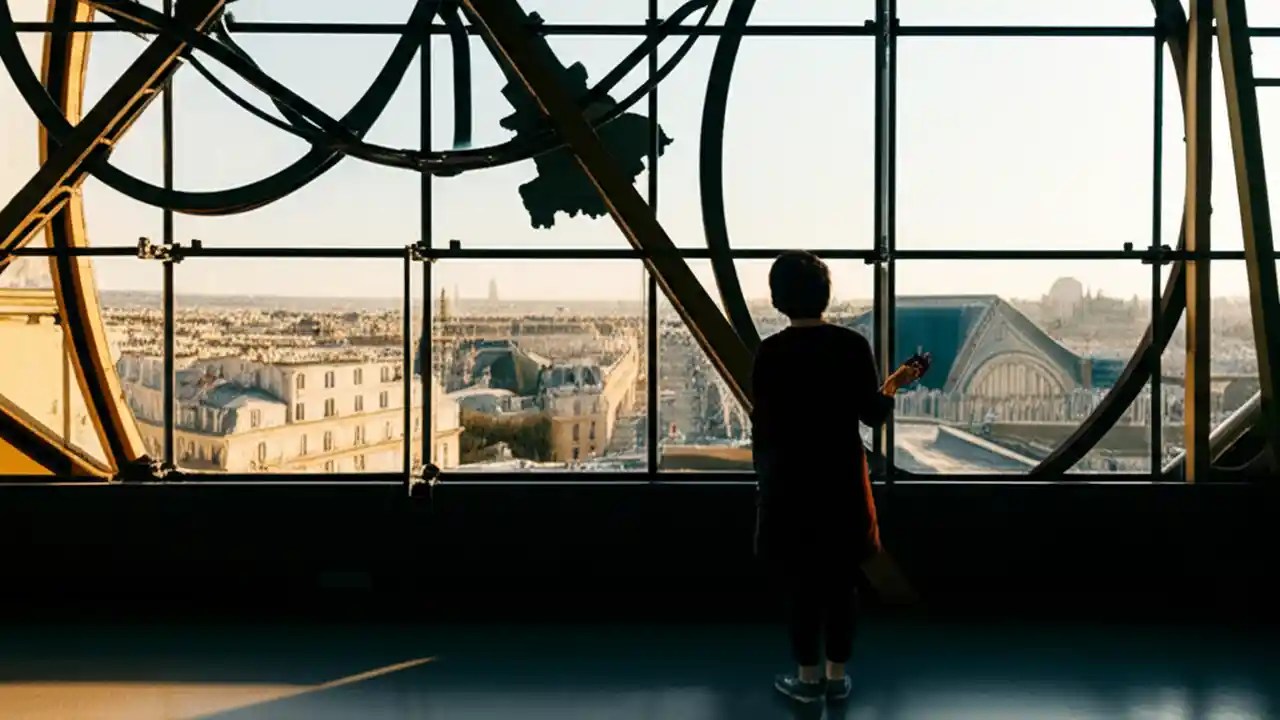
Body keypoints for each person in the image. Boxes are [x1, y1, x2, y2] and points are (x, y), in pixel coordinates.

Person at [751, 250, 921, 705]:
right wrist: (894, 384)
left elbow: (764, 427)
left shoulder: (770, 353)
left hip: (789, 486)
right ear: (825, 295)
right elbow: (871, 415)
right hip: (842, 481)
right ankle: (836, 675)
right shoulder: (851, 346)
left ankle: (806, 679)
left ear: (778, 298)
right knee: (843, 583)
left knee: (800, 585)